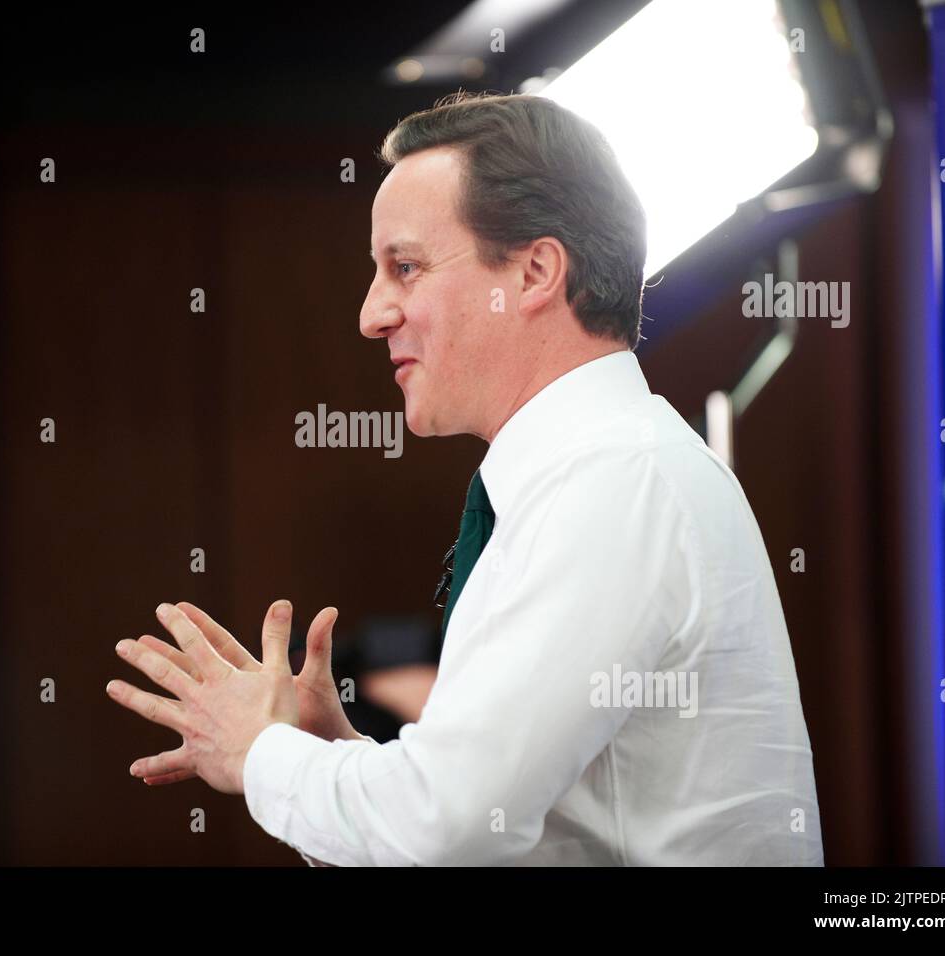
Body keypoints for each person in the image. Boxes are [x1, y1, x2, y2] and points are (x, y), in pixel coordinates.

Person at [105, 91, 825, 866]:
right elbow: (480, 827)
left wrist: (262, 754)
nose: (371, 314)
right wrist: (343, 757)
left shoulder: (615, 483)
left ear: (534, 271)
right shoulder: (593, 474)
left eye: (405, 267)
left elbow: (449, 824)